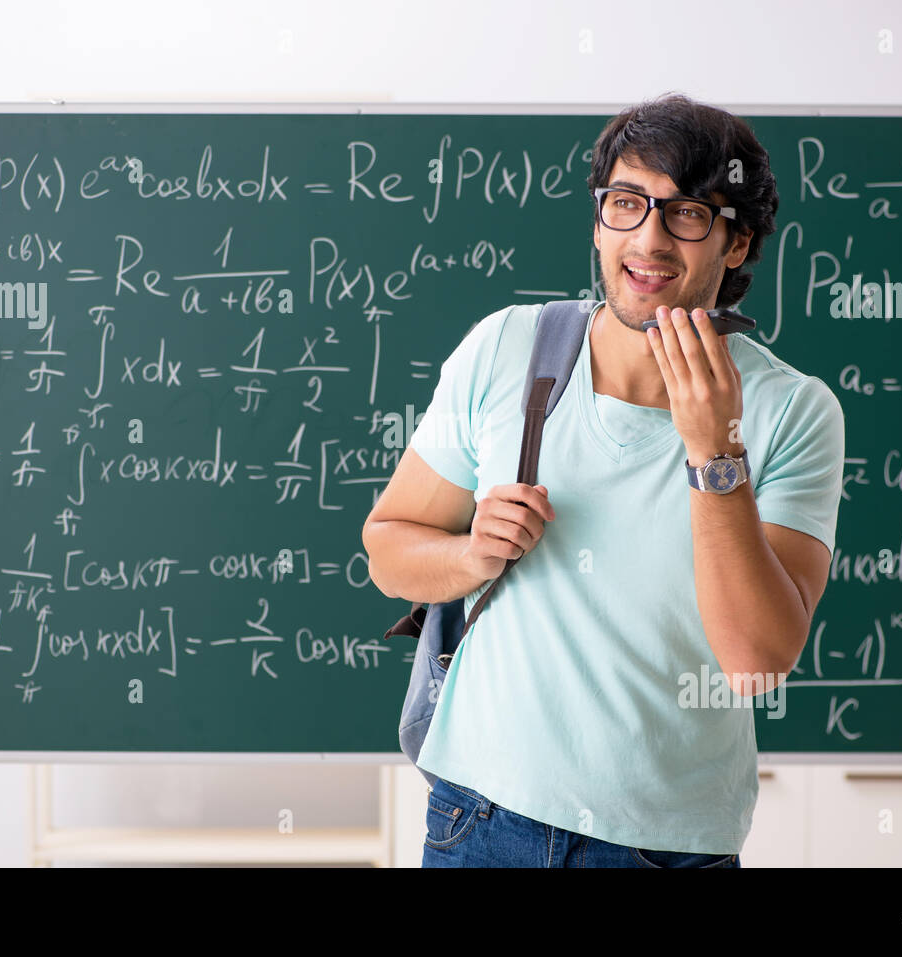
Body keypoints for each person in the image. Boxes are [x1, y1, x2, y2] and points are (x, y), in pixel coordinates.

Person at [361, 93, 845, 868]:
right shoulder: (507, 348)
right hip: (480, 821)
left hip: (663, 848)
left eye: (687, 213)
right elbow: (387, 547)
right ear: (599, 221)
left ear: (737, 241)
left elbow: (756, 658)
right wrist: (470, 557)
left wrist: (714, 451)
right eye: (626, 204)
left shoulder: (792, 411)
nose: (648, 239)